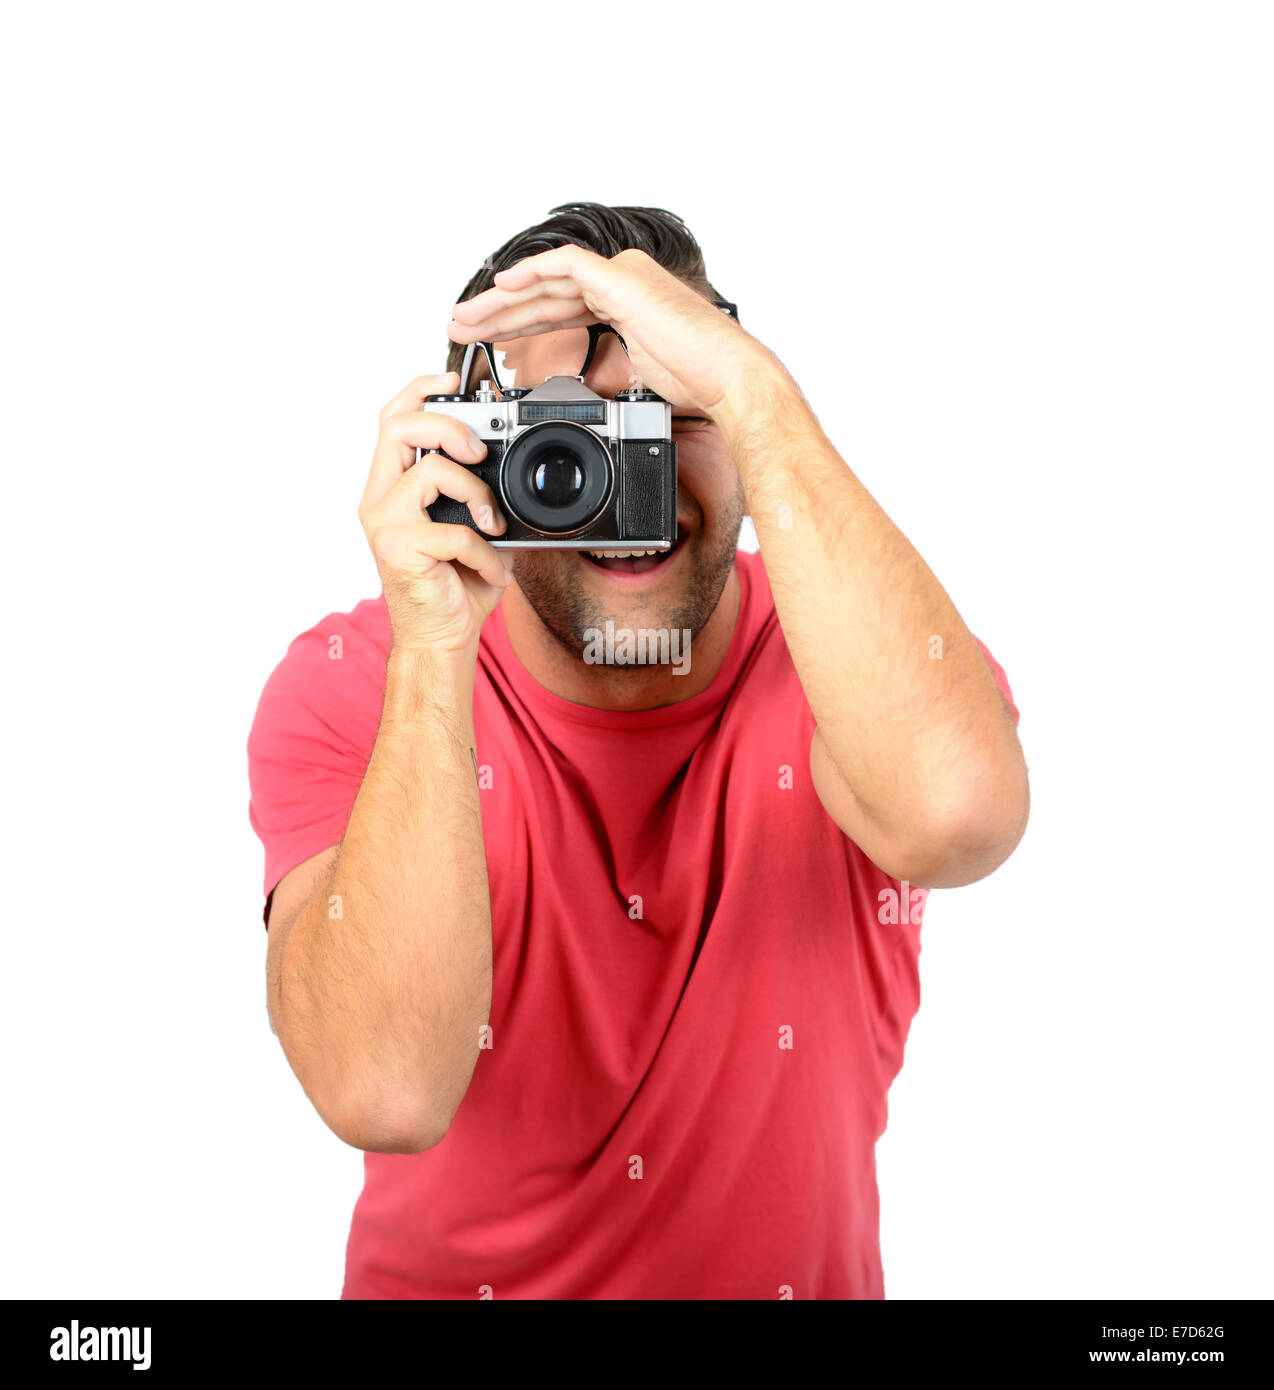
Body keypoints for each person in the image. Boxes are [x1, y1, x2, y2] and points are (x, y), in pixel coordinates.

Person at [248, 202, 1029, 1300]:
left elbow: (961, 815)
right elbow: (382, 1088)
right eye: (564, 429)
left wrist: (755, 392)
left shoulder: (846, 664)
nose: (627, 483)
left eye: (677, 413)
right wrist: (432, 644)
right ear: (467, 453)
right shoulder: (355, 677)